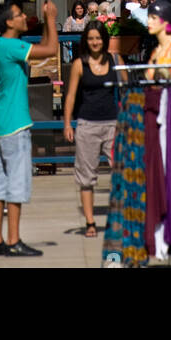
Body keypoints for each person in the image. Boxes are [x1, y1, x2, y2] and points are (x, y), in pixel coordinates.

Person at [0, 0, 59, 258]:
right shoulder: (10, 46)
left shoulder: (0, 45)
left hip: (1, 120)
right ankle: (13, 240)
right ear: (9, 22)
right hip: (15, 122)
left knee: (0, 182)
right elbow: (50, 49)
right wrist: (51, 17)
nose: (23, 17)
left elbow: (40, 46)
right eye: (19, 14)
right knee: (16, 183)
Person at [63, 20, 127, 236]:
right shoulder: (79, 64)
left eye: (98, 38)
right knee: (86, 177)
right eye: (90, 38)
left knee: (121, 171)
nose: (95, 42)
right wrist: (67, 123)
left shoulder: (116, 60)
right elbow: (71, 95)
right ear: (85, 41)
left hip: (113, 124)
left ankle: (120, 218)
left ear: (104, 40)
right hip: (87, 125)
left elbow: (128, 92)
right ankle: (90, 223)